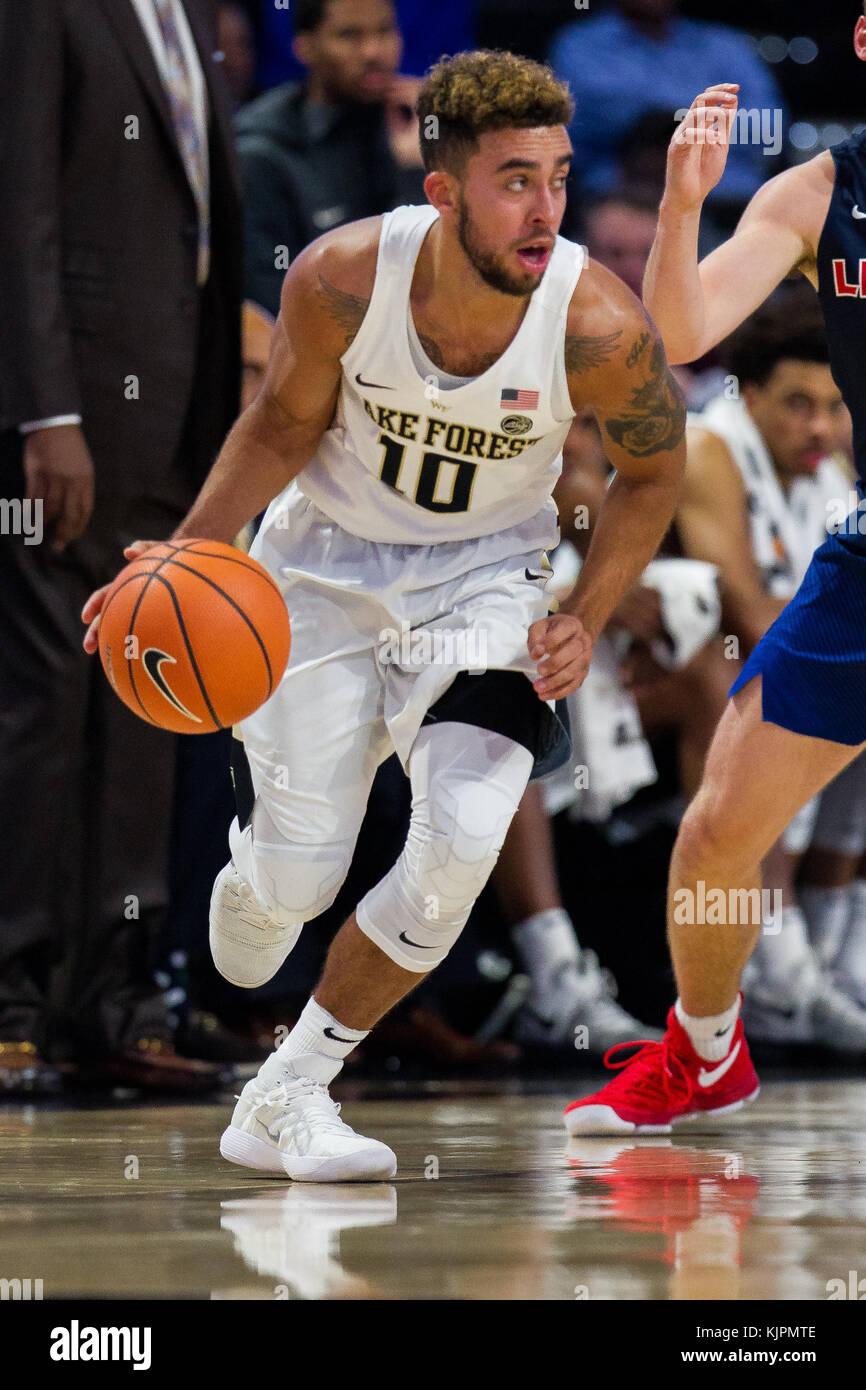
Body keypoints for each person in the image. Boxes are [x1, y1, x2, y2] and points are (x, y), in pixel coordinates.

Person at [83, 48, 686, 1179]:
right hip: (319, 576)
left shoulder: (595, 321)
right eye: (514, 179)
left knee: (461, 836)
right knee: (294, 891)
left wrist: (584, 611)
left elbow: (650, 473)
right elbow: (277, 424)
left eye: (557, 176)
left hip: (484, 582)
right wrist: (185, 552)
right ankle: (262, 868)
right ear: (442, 188)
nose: (545, 209)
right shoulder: (342, 280)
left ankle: (290, 1087)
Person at [565, 8, 866, 1137]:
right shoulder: (811, 194)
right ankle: (702, 1052)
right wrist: (685, 202)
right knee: (716, 830)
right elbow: (677, 332)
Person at [0, 0, 242, 1093]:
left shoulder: (189, 13)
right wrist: (43, 414)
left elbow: (198, 220)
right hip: (74, 411)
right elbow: (19, 213)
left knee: (148, 695)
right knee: (45, 700)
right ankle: (13, 997)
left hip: (169, 403)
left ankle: (117, 998)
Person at [676, 295, 866, 1050]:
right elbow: (748, 612)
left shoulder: (834, 464)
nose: (819, 426)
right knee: (787, 697)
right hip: (652, 682)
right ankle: (779, 960)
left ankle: (831, 955)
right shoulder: (708, 449)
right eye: (797, 404)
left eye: (833, 405)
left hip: (748, 673)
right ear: (746, 395)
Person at [236, 0, 427, 317]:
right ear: (304, 46)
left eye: (385, 31)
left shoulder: (420, 129)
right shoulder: (262, 154)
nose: (373, 52)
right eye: (350, 36)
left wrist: (421, 164)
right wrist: (412, 180)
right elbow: (278, 309)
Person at [548, 0, 784, 217]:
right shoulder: (581, 45)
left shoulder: (726, 46)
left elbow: (769, 129)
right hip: (618, 196)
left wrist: (672, 123)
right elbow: (587, 122)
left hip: (727, 201)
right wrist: (705, 116)